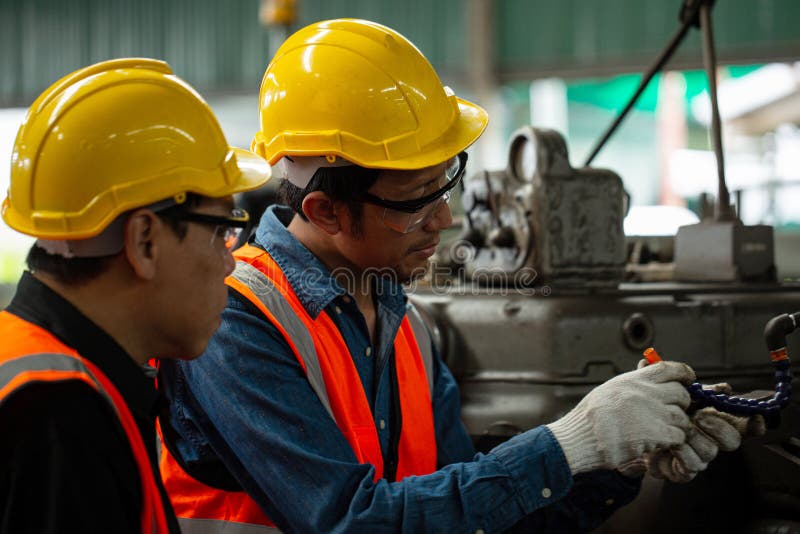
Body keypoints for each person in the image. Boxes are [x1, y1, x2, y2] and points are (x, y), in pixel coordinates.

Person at [157, 19, 759, 533]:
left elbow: (468, 511)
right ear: (325, 209)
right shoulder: (234, 323)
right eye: (418, 198)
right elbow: (350, 521)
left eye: (447, 183)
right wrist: (568, 444)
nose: (445, 219)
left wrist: (613, 458)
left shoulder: (402, 320)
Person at [0, 58, 271, 533]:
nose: (231, 262)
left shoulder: (37, 366)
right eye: (223, 231)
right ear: (145, 240)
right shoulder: (58, 417)